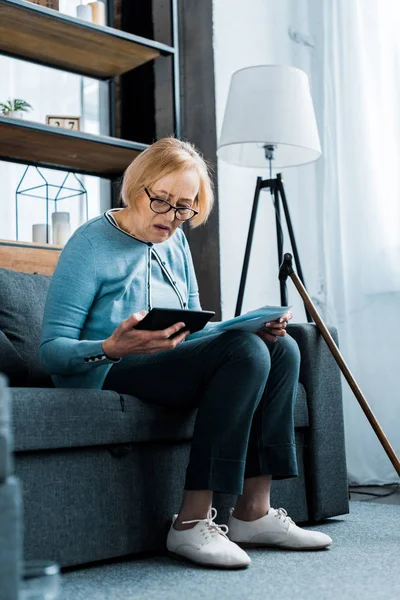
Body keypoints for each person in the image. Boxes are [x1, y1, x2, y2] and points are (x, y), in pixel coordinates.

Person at [39, 137, 332, 570]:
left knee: (281, 347)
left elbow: (194, 330)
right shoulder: (90, 244)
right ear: (136, 187)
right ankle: (191, 522)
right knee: (247, 352)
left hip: (164, 363)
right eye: (162, 201)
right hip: (109, 370)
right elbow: (50, 353)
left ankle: (253, 513)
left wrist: (246, 325)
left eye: (184, 207)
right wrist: (111, 346)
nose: (172, 218)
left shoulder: (175, 242)